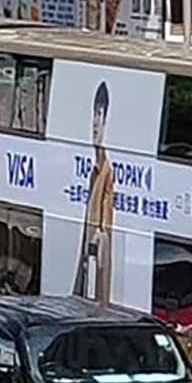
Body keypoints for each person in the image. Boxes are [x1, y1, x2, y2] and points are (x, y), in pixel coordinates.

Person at [74, 82, 115, 305]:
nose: (95, 124)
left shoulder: (107, 171)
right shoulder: (93, 169)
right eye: (93, 114)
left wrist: (100, 231)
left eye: (100, 115)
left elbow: (106, 221)